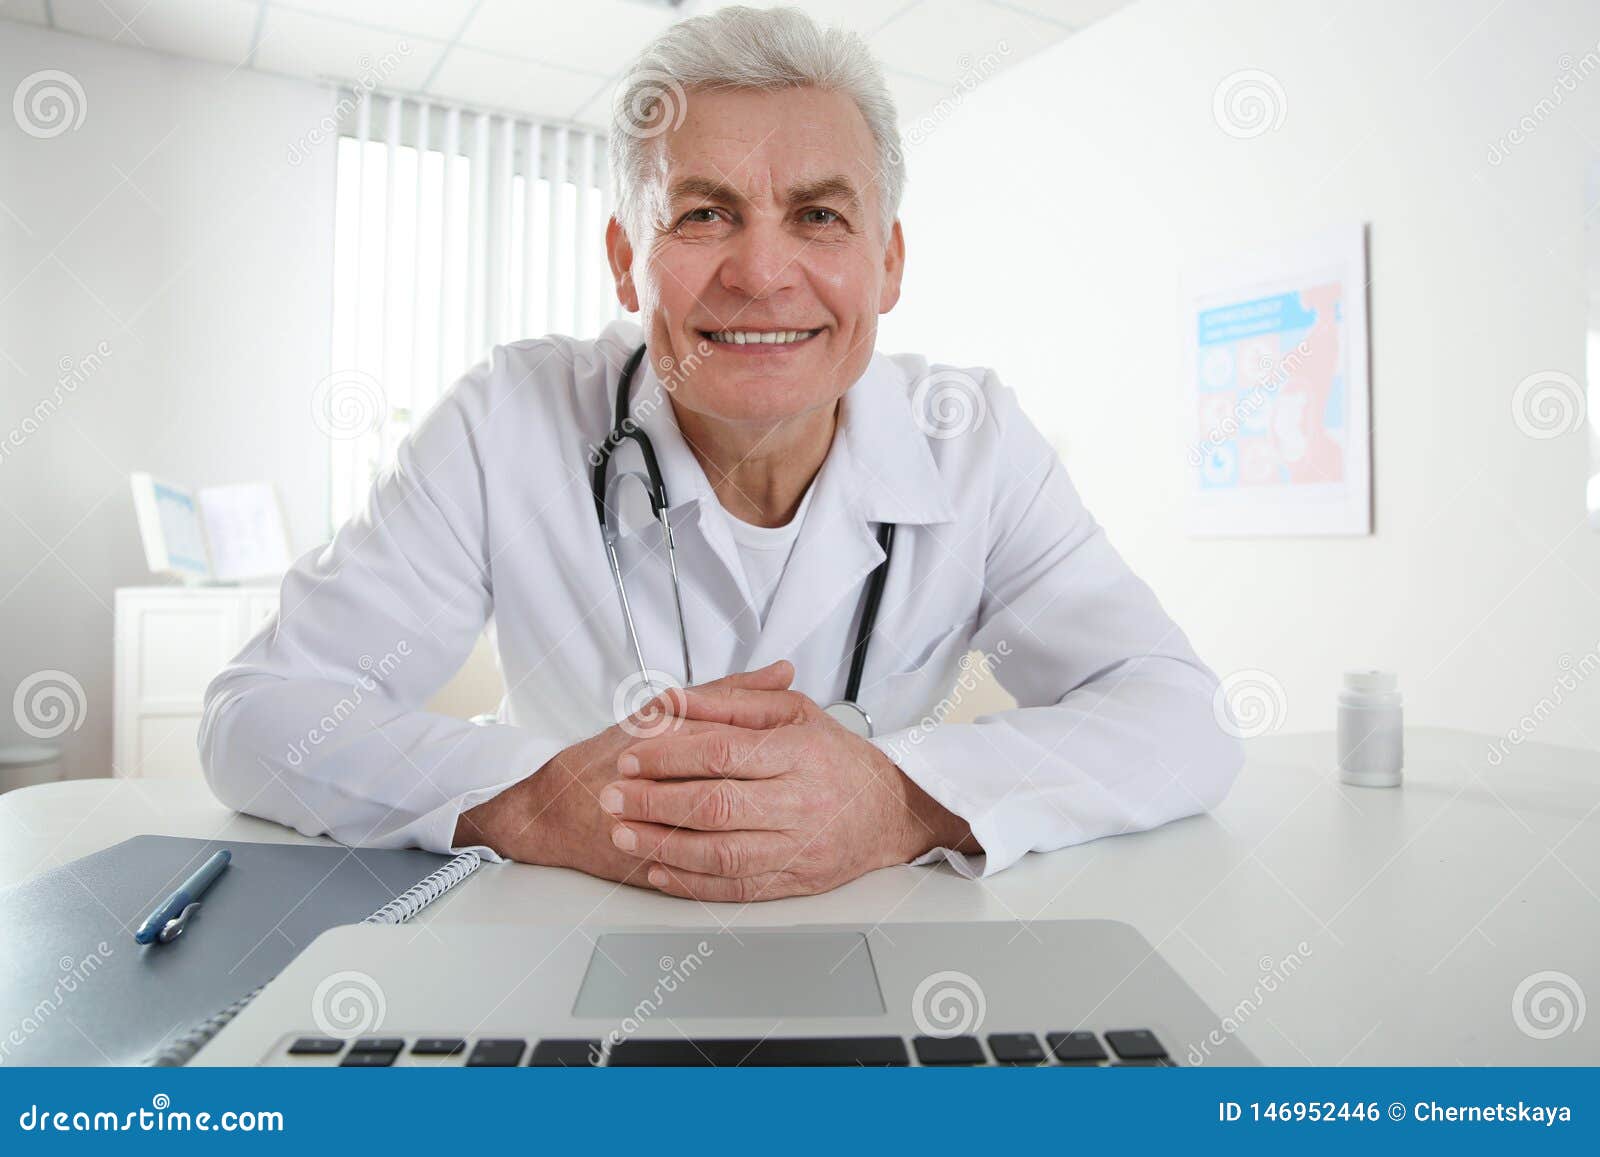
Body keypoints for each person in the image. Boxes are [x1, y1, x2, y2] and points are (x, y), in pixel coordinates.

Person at [200, 5, 1242, 902]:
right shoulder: (503, 419)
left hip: (875, 942)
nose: (761, 271)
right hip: (557, 933)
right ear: (626, 262)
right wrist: (538, 795)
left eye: (818, 216)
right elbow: (259, 714)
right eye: (704, 214)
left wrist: (900, 796)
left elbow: (1178, 715)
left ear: (887, 262)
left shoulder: (974, 442)